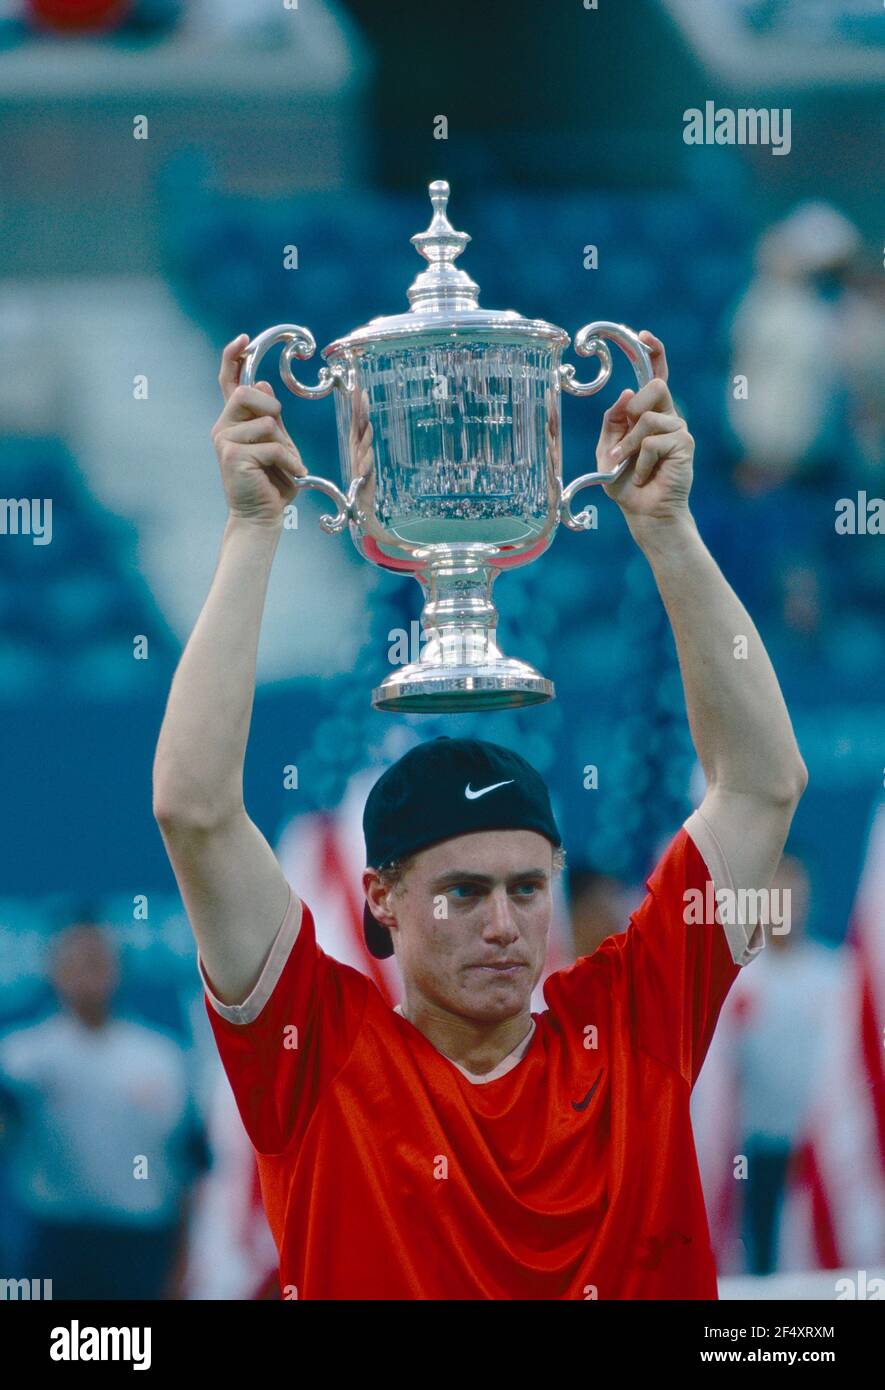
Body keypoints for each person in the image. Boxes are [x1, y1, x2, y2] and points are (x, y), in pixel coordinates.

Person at [152, 328, 807, 1299]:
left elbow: (762, 782)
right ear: (380, 897)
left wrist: (669, 533)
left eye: (526, 886)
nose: (505, 924)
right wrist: (253, 531)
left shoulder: (631, 1026)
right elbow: (194, 810)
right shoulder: (320, 1055)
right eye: (463, 891)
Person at [0, 914, 208, 1300]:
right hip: (55, 1243)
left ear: (119, 967)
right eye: (75, 960)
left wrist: (184, 1263)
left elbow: (190, 1168)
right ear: (53, 969)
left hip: (141, 1245)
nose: (87, 971)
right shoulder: (21, 1057)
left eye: (97, 959)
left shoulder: (162, 1058)